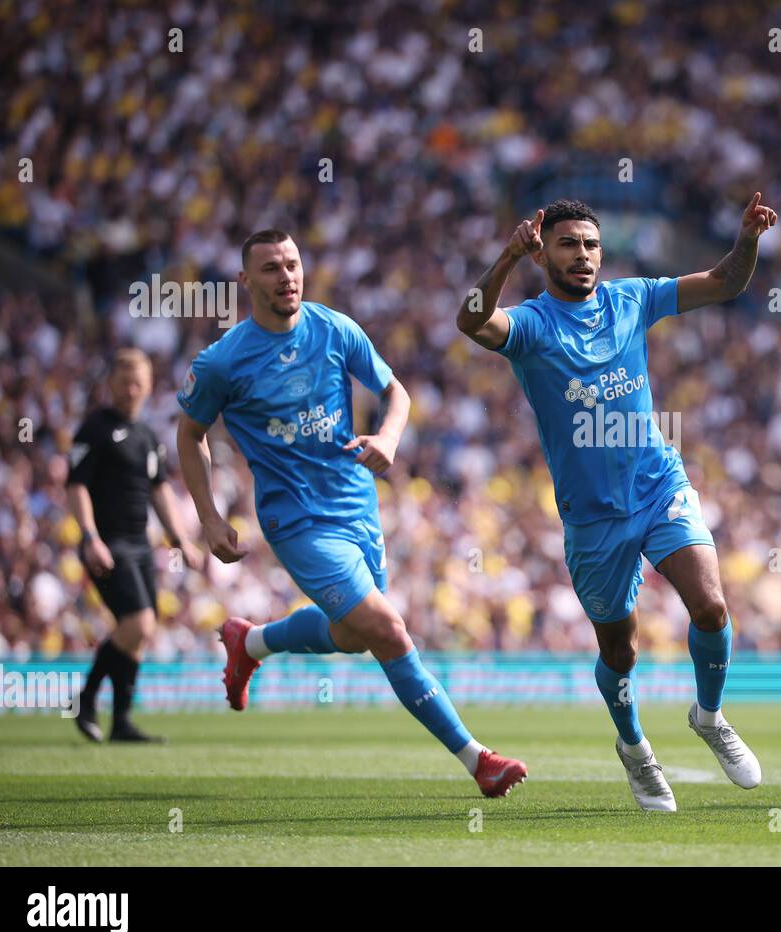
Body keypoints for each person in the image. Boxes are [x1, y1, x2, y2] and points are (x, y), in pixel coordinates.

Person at [176, 229, 526, 798]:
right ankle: (477, 759)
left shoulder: (335, 328)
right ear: (245, 281)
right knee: (387, 629)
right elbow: (189, 435)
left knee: (352, 635)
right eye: (270, 268)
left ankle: (252, 642)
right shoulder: (222, 363)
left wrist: (388, 437)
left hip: (358, 506)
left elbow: (397, 393)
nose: (286, 276)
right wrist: (209, 518)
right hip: (298, 521)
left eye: (292, 264)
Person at [457, 195, 777, 811]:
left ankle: (709, 717)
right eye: (569, 245)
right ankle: (635, 752)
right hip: (593, 519)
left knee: (710, 607)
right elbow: (472, 321)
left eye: (591, 245)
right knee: (620, 652)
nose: (583, 256)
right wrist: (504, 257)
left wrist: (747, 238)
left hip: (658, 486)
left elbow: (725, 281)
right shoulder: (529, 326)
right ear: (543, 251)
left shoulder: (631, 299)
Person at [67, 348, 203, 743]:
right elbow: (75, 486)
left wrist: (180, 539)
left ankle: (121, 722)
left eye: (139, 383)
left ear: (148, 386)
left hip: (140, 545)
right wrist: (90, 538)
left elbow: (160, 490)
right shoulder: (94, 429)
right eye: (125, 382)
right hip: (108, 544)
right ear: (110, 384)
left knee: (142, 633)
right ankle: (87, 698)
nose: (132, 390)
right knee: (138, 623)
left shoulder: (146, 435)